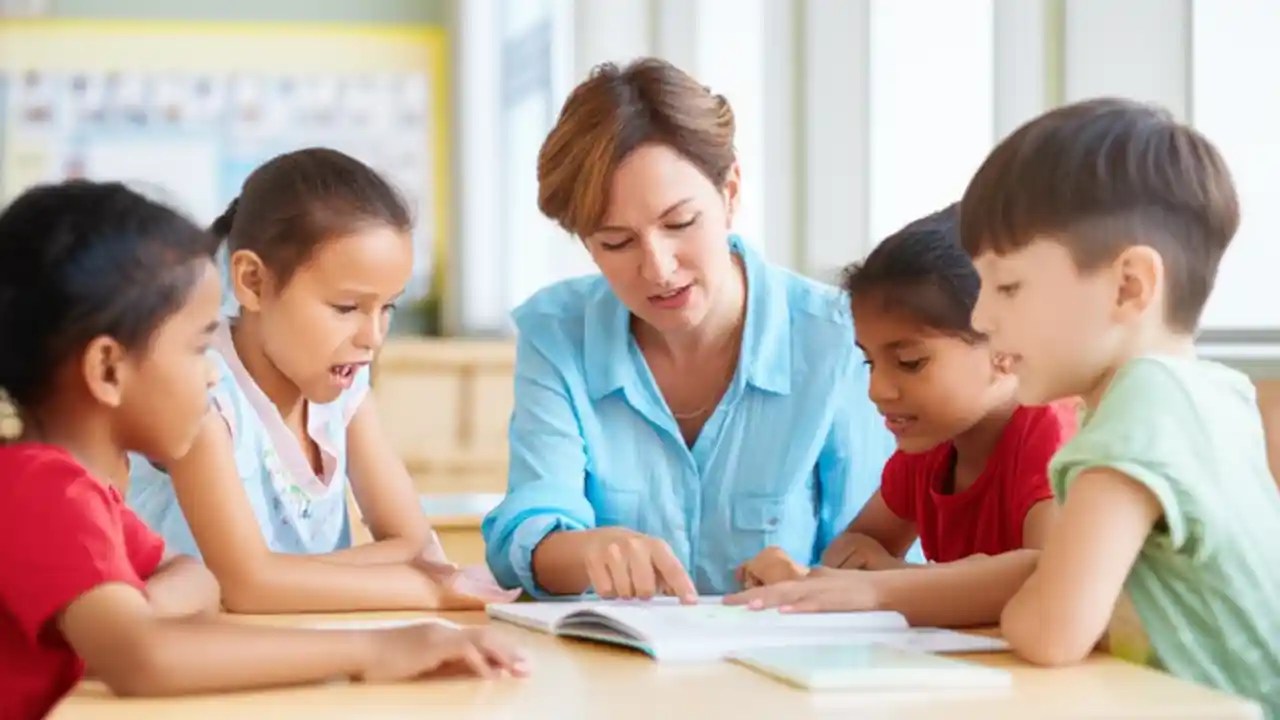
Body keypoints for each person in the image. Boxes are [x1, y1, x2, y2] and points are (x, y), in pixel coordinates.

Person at [0, 181, 526, 718]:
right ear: (108, 369)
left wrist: (136, 608)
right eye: (198, 347)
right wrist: (375, 650)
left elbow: (197, 579)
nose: (212, 374)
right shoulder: (42, 492)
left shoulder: (84, 491)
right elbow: (145, 658)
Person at [481, 58, 894, 599]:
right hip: (604, 652)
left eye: (680, 223)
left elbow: (877, 556)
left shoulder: (839, 336)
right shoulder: (557, 332)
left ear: (730, 192)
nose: (658, 269)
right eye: (616, 242)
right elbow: (527, 530)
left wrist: (817, 584)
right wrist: (586, 552)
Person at [964, 98, 1277, 715]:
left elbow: (1052, 632)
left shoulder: (1146, 402)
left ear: (1129, 285)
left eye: (1008, 286)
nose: (980, 317)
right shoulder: (1215, 393)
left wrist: (1019, 611)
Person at [128, 148, 513, 613]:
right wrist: (425, 589)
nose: (373, 337)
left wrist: (281, 575)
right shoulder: (201, 391)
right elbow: (247, 587)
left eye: (387, 307)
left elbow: (414, 544)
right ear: (252, 282)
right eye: (347, 308)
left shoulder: (344, 388)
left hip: (306, 638)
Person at [729, 204, 1075, 627]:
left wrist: (885, 584)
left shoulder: (1050, 437)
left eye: (910, 362)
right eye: (869, 362)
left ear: (1006, 348)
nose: (877, 390)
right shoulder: (930, 448)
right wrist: (806, 581)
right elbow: (857, 548)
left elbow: (1050, 581)